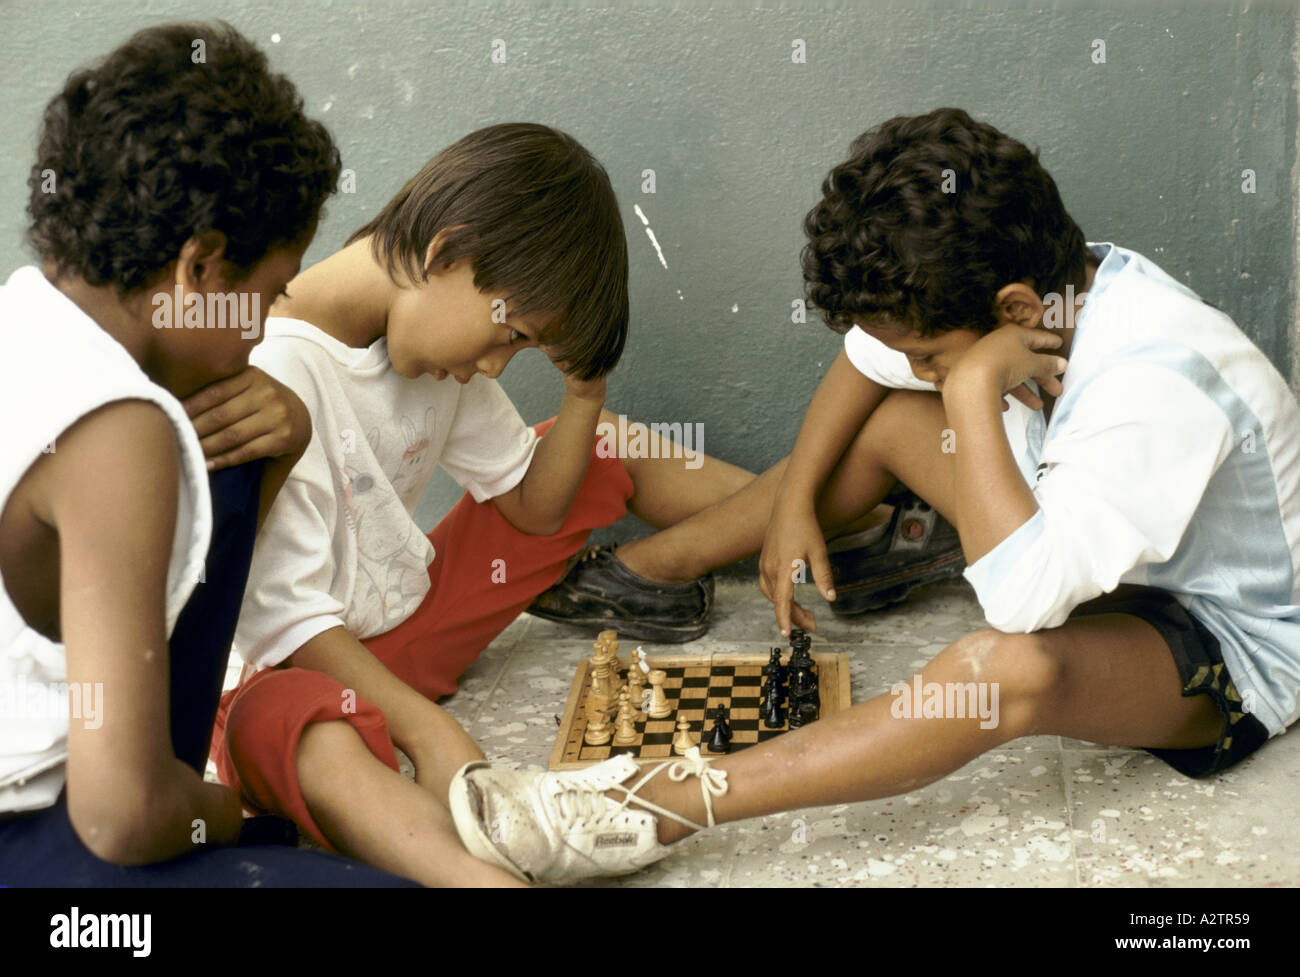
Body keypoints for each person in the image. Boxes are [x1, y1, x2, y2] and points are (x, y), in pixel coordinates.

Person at [444, 107, 1300, 884]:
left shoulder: (1153, 379)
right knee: (891, 420)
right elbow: (868, 359)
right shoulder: (1051, 296)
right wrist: (791, 506)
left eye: (934, 355)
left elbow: (1022, 606)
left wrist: (967, 395)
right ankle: (670, 568)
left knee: (1002, 671)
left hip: (1228, 645)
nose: (924, 369)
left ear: (1009, 309)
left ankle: (649, 806)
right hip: (1095, 536)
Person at [209, 123, 758, 886]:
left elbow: (535, 509)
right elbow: (289, 623)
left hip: (402, 635)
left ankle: (818, 512)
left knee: (597, 447)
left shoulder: (432, 349)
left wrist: (585, 393)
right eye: (512, 336)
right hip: (287, 671)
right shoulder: (277, 371)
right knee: (303, 725)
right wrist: (432, 733)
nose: (494, 365)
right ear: (447, 253)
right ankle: (476, 872)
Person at [0, 21, 417, 886]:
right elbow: (123, 815)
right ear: (199, 268)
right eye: (264, 296)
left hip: (76, 804)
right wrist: (234, 819)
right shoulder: (118, 429)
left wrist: (288, 439)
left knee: (241, 433)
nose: (263, 329)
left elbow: (178, 572)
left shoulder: (31, 321)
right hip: (54, 852)